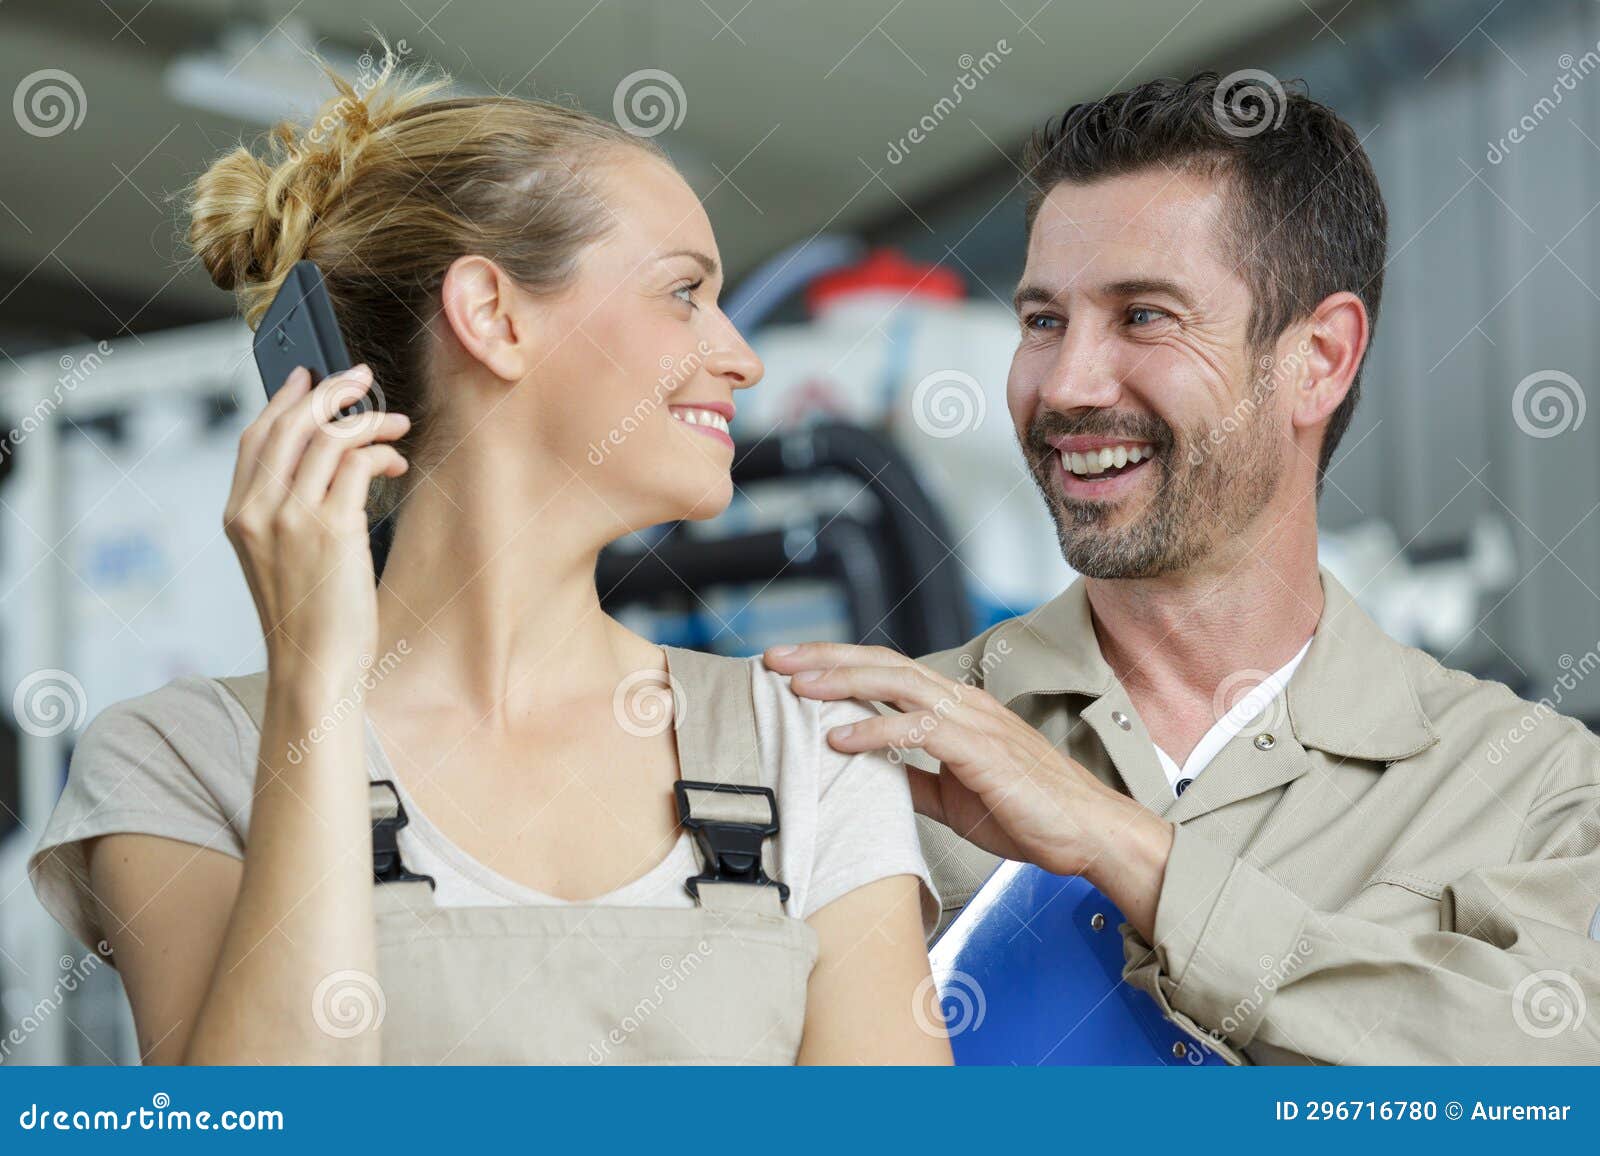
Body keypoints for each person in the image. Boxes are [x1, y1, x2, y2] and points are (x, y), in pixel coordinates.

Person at [27, 52, 948, 1066]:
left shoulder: (807, 752)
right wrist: (318, 689)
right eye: (684, 292)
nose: (742, 352)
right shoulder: (184, 756)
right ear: (494, 316)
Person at [766, 72, 1600, 1064]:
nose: (1066, 384)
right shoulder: (860, 749)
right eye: (1042, 320)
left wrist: (1129, 855)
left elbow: (1543, 1087)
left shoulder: (1535, 790)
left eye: (1143, 316)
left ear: (1319, 359)